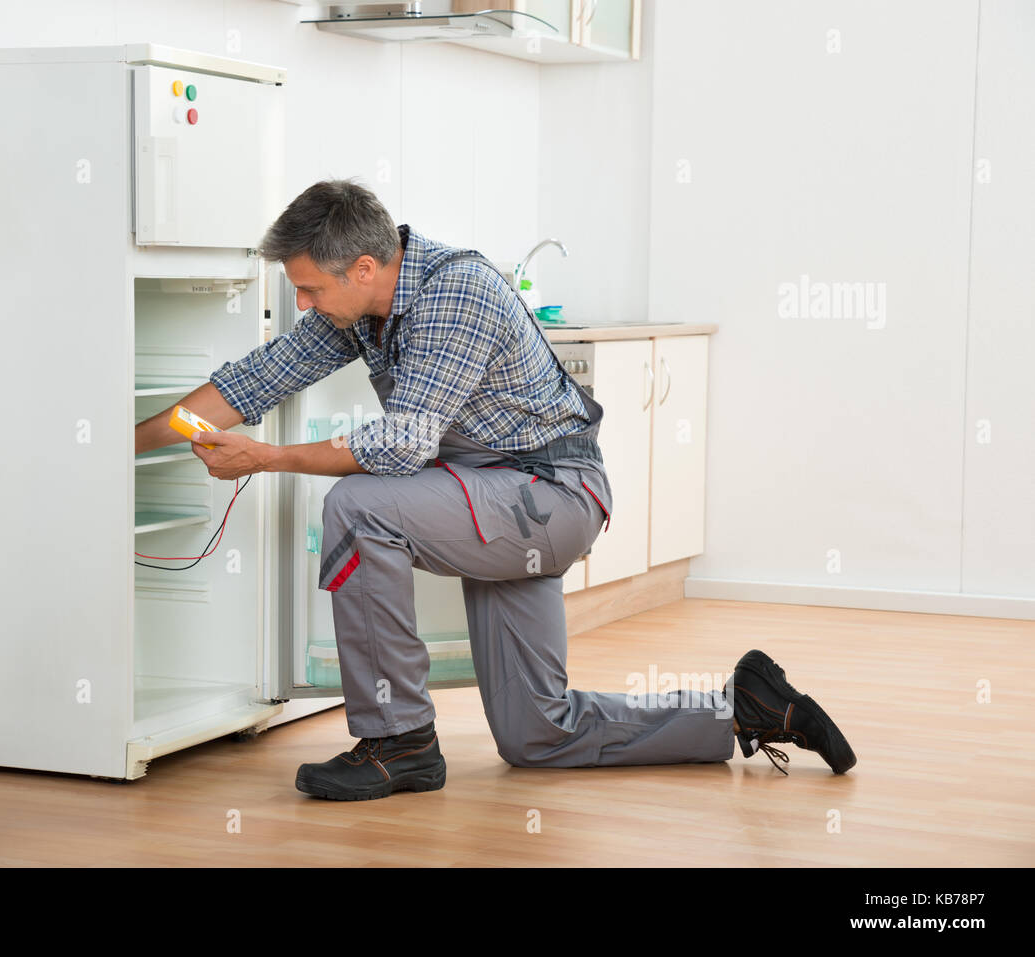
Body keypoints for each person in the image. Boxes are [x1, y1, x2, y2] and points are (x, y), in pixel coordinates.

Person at [134, 179, 856, 800]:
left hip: (547, 493)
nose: (302, 302)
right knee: (538, 733)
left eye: (310, 288)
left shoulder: (456, 290)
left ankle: (399, 741)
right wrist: (123, 445)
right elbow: (255, 381)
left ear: (362, 268)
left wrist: (267, 457)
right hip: (490, 494)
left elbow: (403, 443)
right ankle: (744, 709)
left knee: (357, 508)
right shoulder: (362, 310)